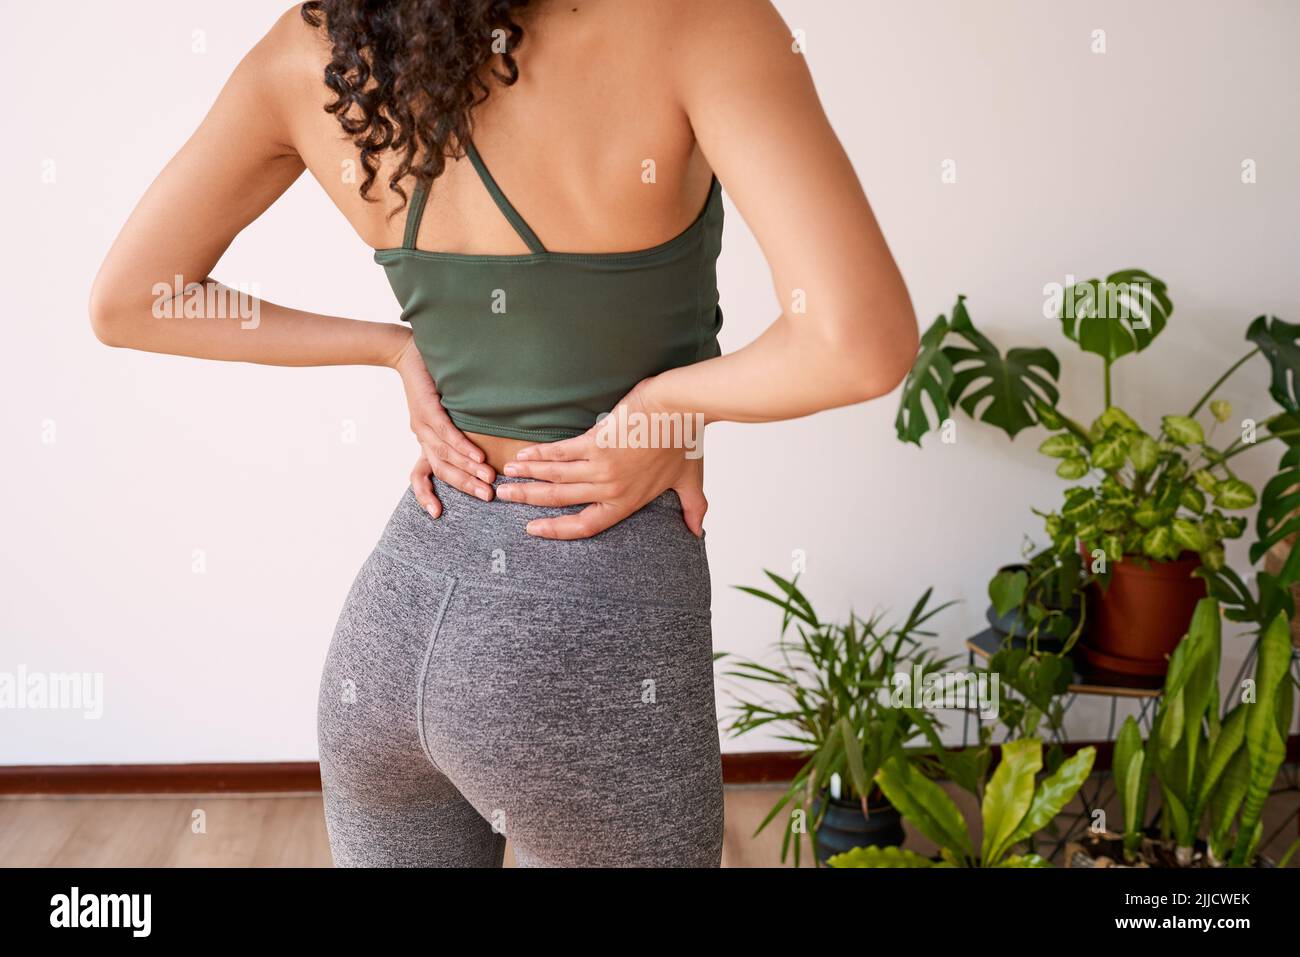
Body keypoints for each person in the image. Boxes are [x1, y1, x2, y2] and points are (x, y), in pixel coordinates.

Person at [88, 0, 918, 867]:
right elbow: (857, 343)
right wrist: (666, 406)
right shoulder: (700, 20)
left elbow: (131, 298)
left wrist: (391, 347)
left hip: (392, 628)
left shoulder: (316, 47)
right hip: (587, 636)